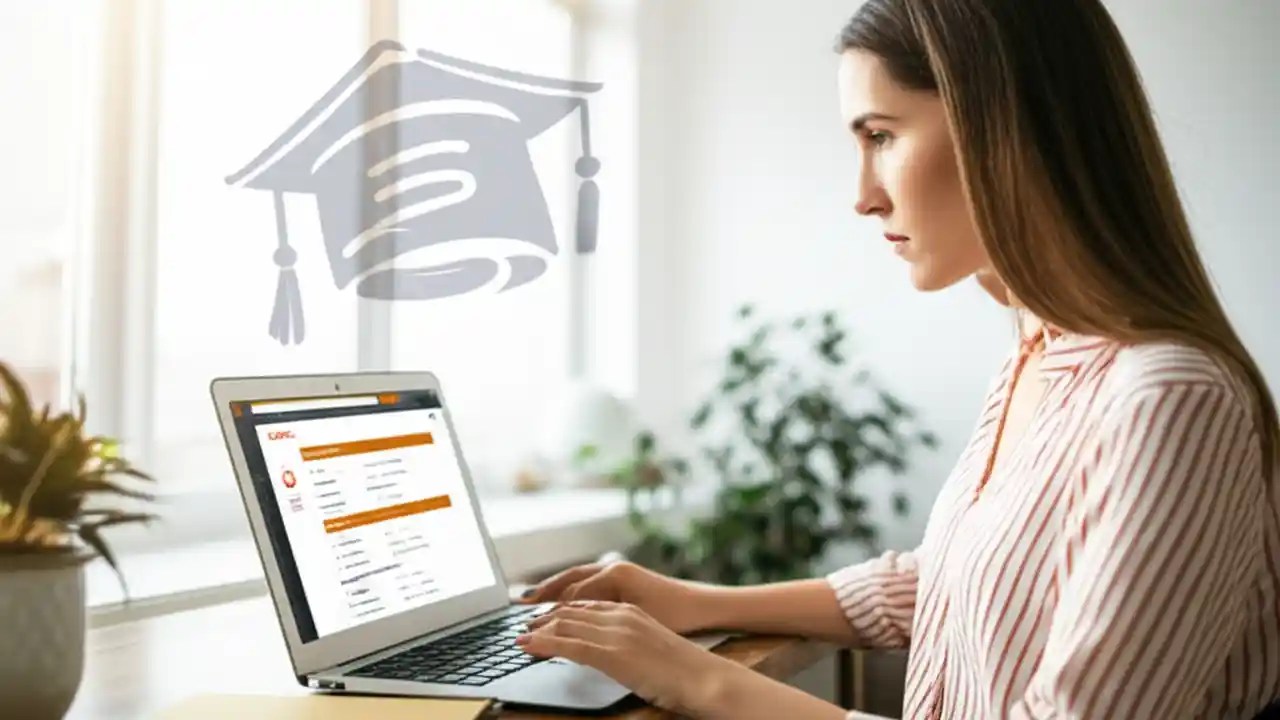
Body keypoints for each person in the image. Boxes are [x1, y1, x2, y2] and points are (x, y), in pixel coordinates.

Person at [512, 1, 1280, 718]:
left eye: (881, 135)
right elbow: (954, 582)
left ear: (1002, 127)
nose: (863, 196)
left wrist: (702, 680)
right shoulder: (1039, 359)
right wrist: (693, 600)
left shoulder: (1168, 397)